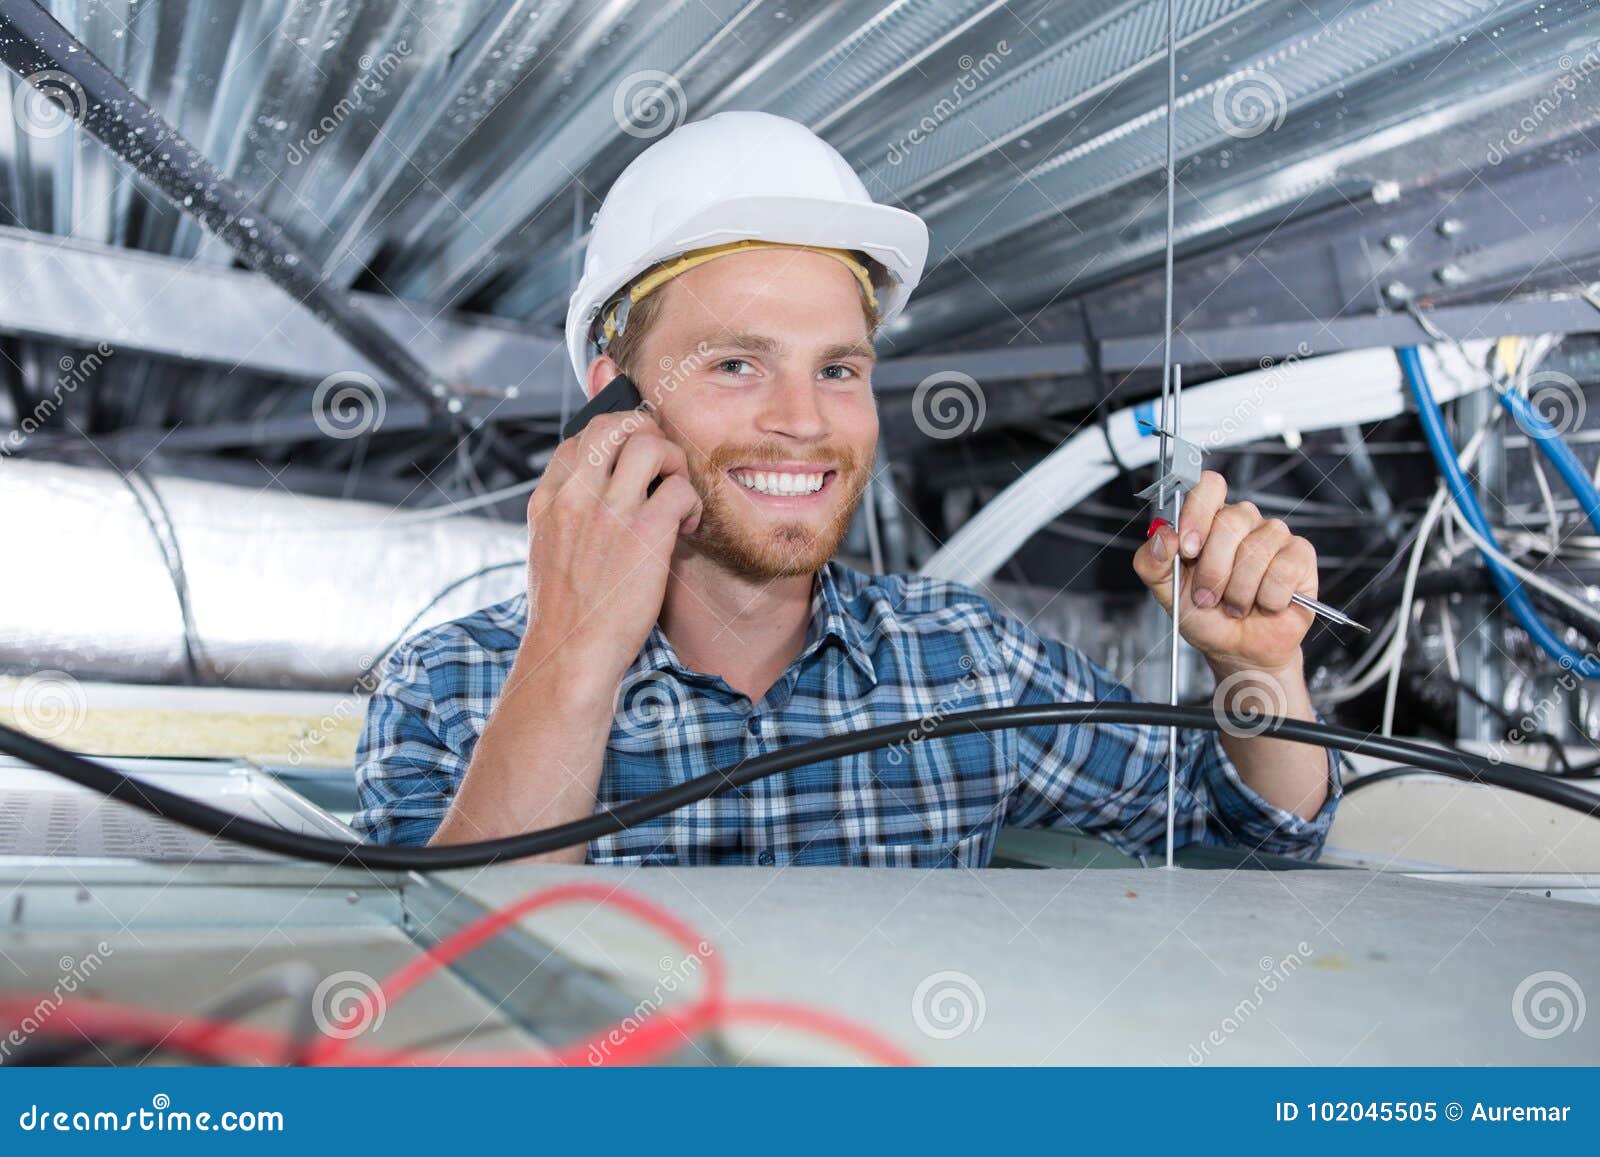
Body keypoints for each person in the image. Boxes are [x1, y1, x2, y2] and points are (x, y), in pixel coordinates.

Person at [351, 111, 1340, 866]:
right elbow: (438, 1020)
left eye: (837, 369)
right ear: (613, 401)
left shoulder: (968, 663)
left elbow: (1243, 836)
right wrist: (572, 661)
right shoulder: (448, 688)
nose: (805, 421)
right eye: (736, 364)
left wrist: (1256, 670)